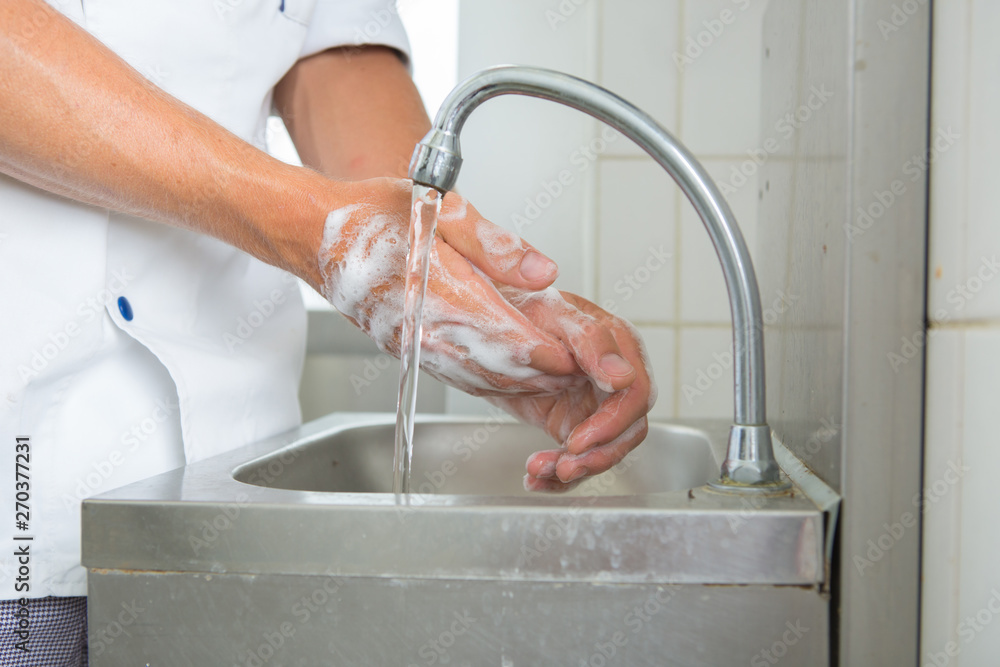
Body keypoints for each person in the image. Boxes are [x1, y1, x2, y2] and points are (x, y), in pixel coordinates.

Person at [0, 0, 654, 662]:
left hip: (234, 478)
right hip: (21, 474)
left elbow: (336, 49)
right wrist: (311, 225)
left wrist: (478, 296)